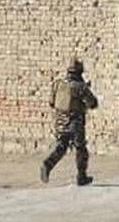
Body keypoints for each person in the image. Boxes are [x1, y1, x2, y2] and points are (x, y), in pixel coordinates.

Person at [40, 57, 98, 186]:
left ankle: (46, 165)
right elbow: (93, 103)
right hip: (75, 123)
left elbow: (51, 102)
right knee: (80, 149)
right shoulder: (79, 86)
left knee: (61, 147)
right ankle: (81, 176)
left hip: (60, 123)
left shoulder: (58, 84)